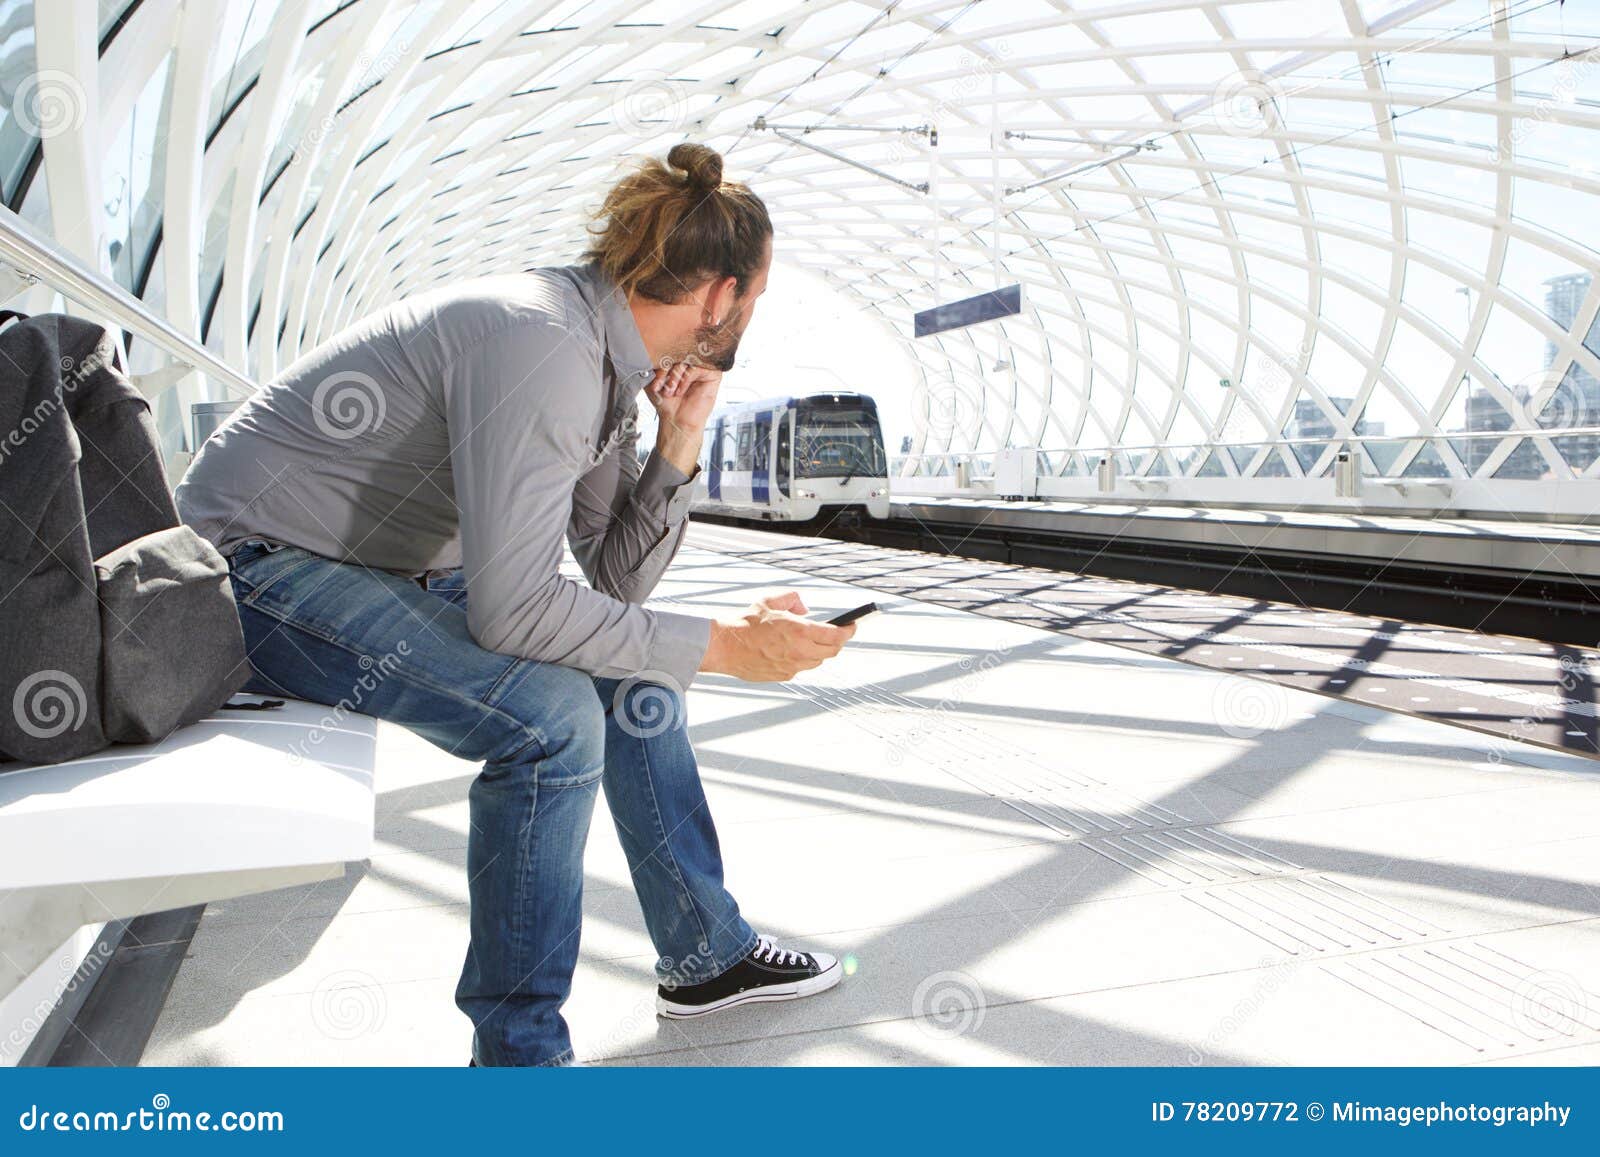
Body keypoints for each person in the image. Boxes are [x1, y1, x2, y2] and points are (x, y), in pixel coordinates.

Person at [176, 143, 855, 1067]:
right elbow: (515, 615)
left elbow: (612, 582)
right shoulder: (543, 345)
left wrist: (681, 435)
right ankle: (519, 1065)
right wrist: (729, 644)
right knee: (550, 720)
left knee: (629, 677)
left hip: (382, 564)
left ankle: (706, 956)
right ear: (718, 296)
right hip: (251, 566)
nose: (751, 317)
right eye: (757, 299)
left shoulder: (608, 363)